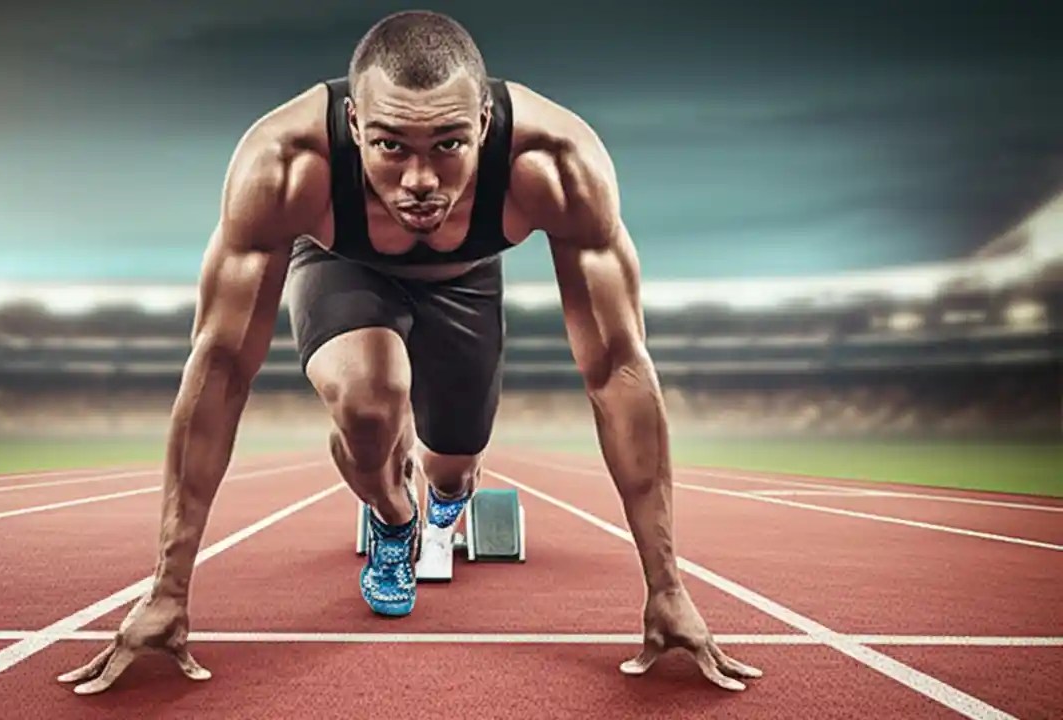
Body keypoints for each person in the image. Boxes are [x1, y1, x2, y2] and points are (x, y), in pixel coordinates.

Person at [57, 9, 763, 695]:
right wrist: (168, 589)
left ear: (485, 125)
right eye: (391, 145)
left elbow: (617, 370)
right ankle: (394, 520)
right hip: (341, 266)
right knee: (370, 401)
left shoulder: (554, 162)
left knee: (452, 466)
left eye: (448, 146)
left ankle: (447, 493)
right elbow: (219, 367)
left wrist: (666, 586)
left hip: (467, 283)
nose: (420, 181)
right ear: (355, 125)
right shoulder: (284, 164)